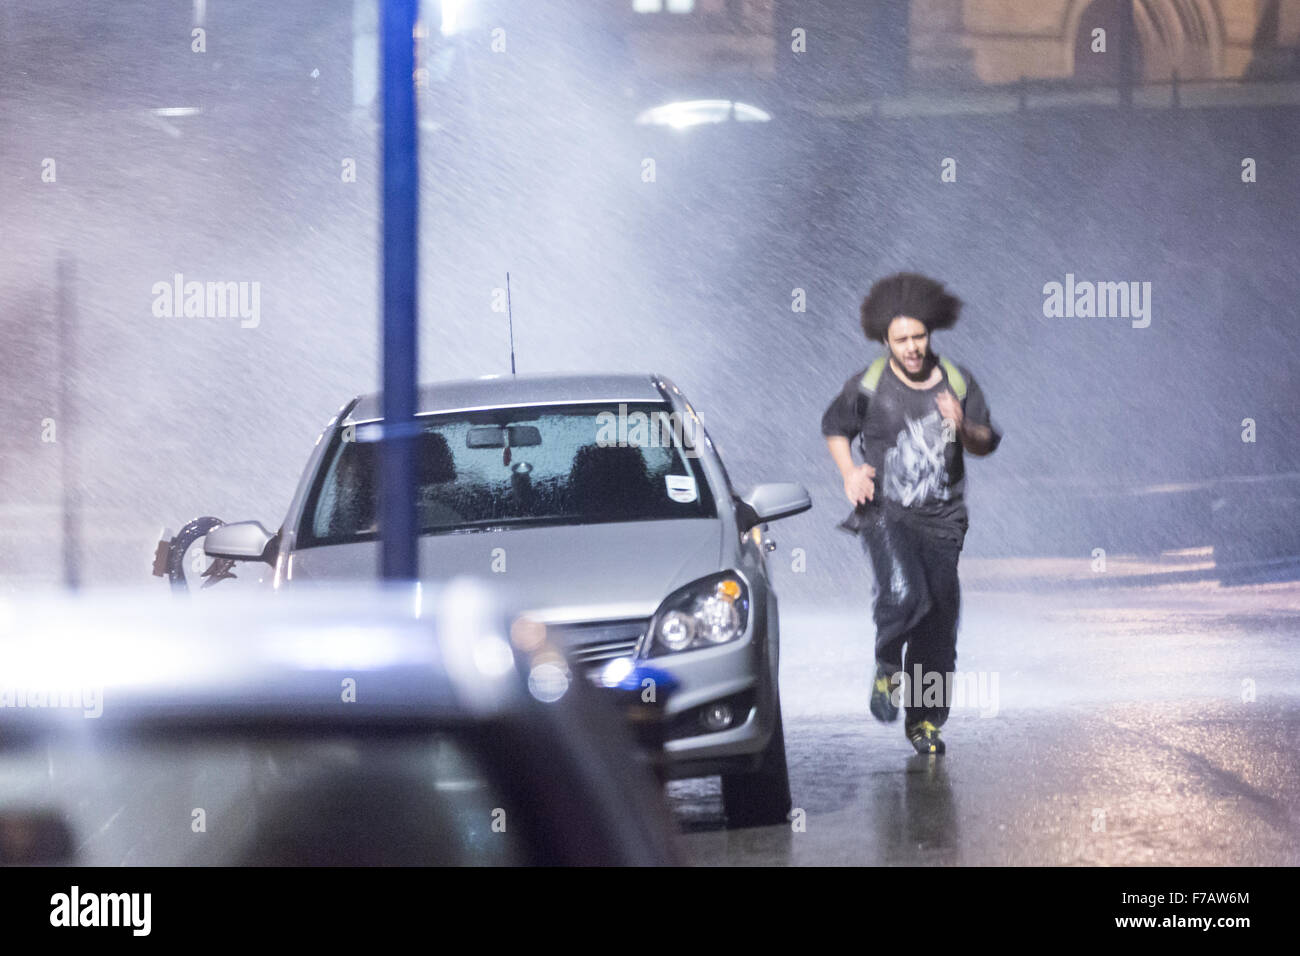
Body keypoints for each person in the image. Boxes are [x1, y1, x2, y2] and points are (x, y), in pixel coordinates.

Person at [821, 272, 1002, 755]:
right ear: (886, 341)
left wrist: (963, 427)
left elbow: (986, 442)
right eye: (901, 340)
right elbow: (835, 427)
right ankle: (887, 667)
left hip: (944, 521)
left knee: (939, 623)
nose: (912, 347)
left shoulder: (958, 382)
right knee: (905, 595)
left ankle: (925, 723)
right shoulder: (868, 384)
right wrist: (849, 473)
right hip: (885, 514)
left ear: (930, 334)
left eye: (918, 337)